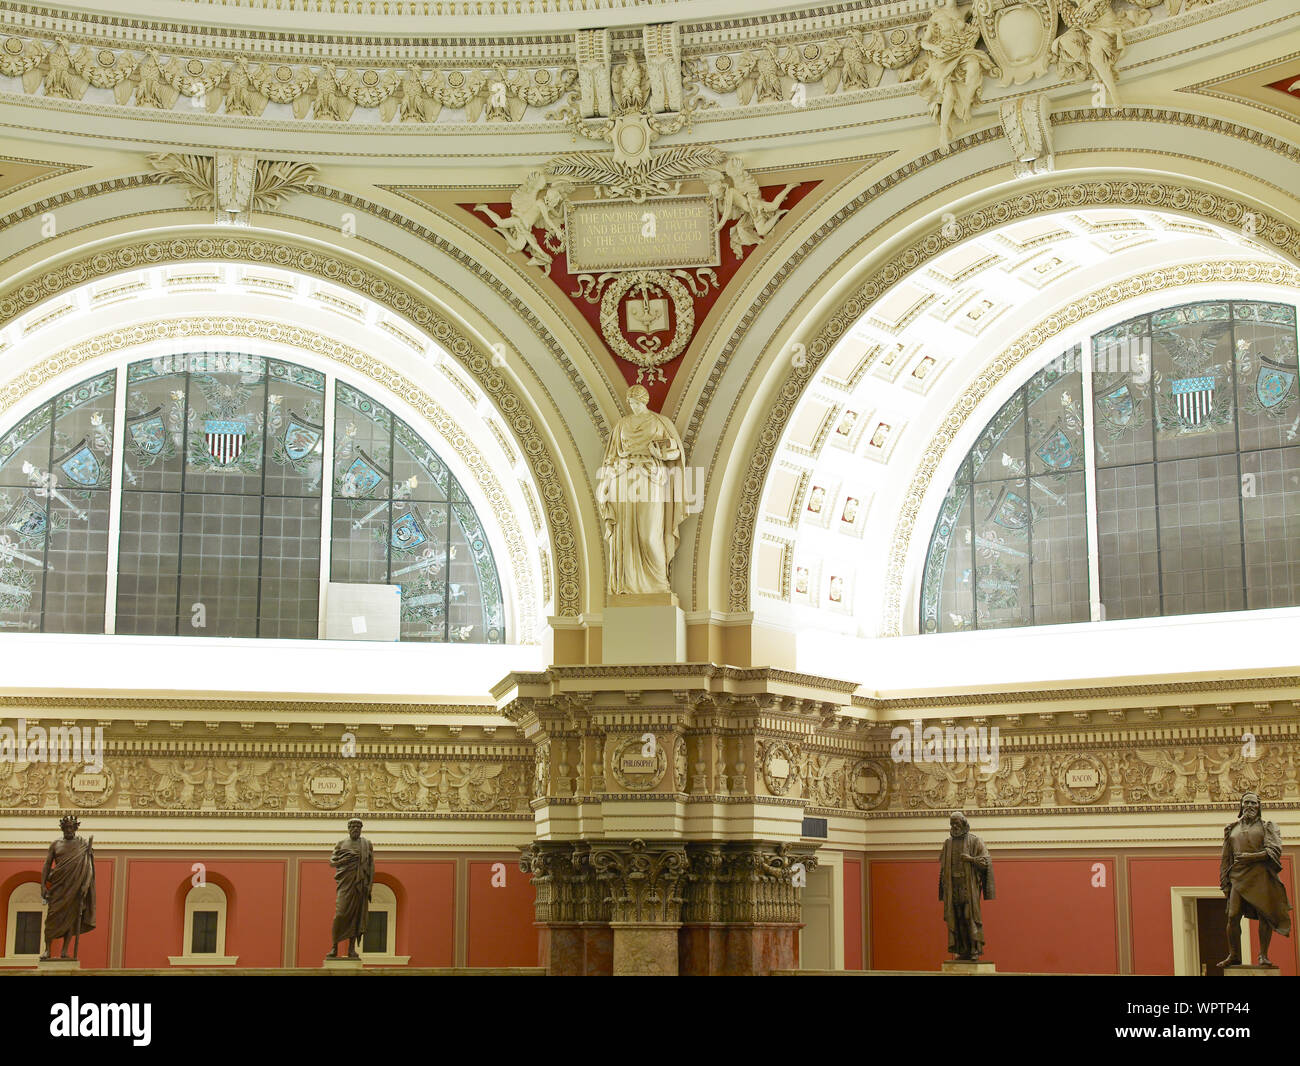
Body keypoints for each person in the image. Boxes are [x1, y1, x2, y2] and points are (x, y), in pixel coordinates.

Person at [598, 385, 687, 596]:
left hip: (652, 477)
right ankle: (627, 583)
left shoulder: (659, 422)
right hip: (624, 477)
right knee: (625, 532)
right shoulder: (622, 425)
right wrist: (604, 484)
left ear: (644, 401)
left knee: (649, 533)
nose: (633, 406)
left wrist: (663, 455)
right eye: (630, 403)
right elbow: (611, 458)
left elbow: (675, 451)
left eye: (636, 402)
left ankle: (658, 583)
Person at [1218, 792, 1292, 967]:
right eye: (1246, 803)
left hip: (1261, 876)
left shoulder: (1268, 826)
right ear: (1241, 805)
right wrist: (1224, 881)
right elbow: (1226, 857)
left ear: (1259, 806)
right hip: (1237, 876)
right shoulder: (1231, 828)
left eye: (1253, 803)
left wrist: (1250, 857)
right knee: (1233, 916)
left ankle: (1263, 955)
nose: (1249, 806)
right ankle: (1234, 955)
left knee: (1264, 915)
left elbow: (1274, 851)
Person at [938, 810, 994, 960]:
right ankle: (962, 950)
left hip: (969, 887)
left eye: (956, 823)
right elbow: (943, 869)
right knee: (957, 918)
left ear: (963, 823)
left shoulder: (975, 841)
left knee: (969, 917)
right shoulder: (948, 843)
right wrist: (943, 890)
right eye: (952, 823)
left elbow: (985, 862)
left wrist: (970, 859)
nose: (954, 826)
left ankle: (974, 949)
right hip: (953, 887)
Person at [39, 814, 96, 960]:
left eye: (71, 827)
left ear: (76, 828)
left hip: (74, 887)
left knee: (71, 919)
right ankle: (47, 950)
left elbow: (89, 867)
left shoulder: (83, 844)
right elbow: (47, 865)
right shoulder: (55, 844)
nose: (69, 830)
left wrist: (86, 884)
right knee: (51, 917)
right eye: (66, 827)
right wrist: (43, 886)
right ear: (62, 828)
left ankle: (65, 950)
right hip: (58, 886)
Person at [327, 818, 374, 959]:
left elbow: (371, 866)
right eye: (352, 827)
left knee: (356, 916)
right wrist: (343, 861)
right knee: (340, 914)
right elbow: (332, 862)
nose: (355, 829)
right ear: (348, 829)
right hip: (345, 882)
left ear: (361, 829)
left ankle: (351, 949)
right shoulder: (341, 843)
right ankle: (334, 947)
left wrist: (369, 885)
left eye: (358, 827)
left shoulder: (366, 844)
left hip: (359, 885)